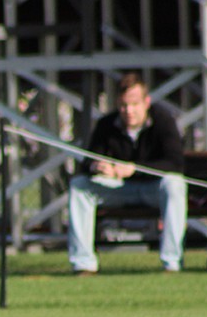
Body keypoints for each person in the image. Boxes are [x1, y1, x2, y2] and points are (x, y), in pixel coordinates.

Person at [67, 73, 188, 274]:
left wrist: (135, 168)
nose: (128, 111)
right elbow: (87, 161)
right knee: (80, 185)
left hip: (154, 189)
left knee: (175, 184)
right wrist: (97, 166)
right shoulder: (107, 124)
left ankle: (172, 263)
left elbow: (175, 163)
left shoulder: (164, 121)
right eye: (123, 106)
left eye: (134, 104)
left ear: (146, 102)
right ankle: (83, 264)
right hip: (120, 190)